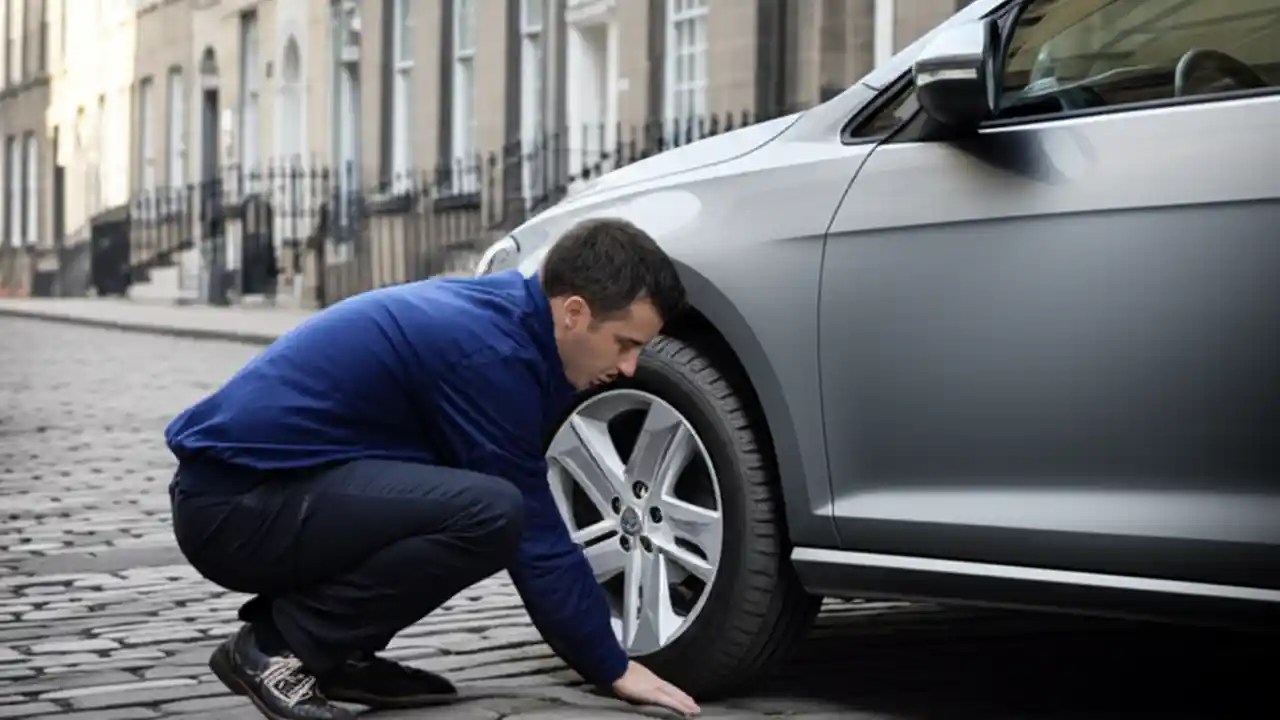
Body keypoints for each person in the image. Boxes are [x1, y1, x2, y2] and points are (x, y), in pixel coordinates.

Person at [164, 217, 702, 720]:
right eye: (625, 344)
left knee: (466, 501)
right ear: (574, 313)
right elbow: (536, 536)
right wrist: (613, 665)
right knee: (491, 512)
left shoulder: (505, 319)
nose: (630, 367)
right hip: (234, 507)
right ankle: (277, 649)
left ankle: (333, 653)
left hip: (267, 493)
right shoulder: (491, 355)